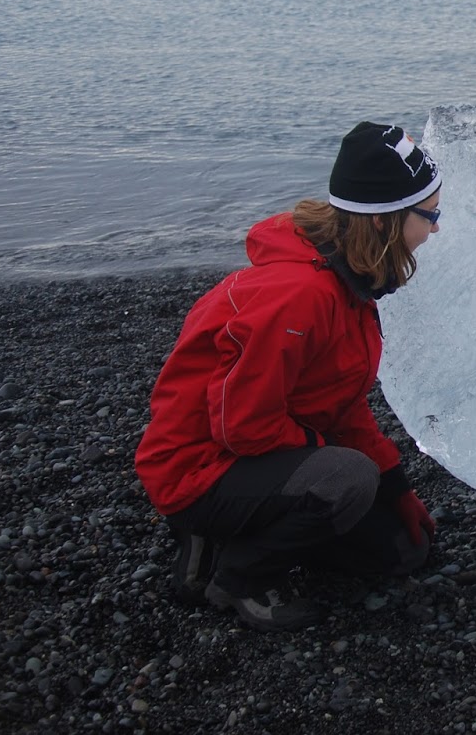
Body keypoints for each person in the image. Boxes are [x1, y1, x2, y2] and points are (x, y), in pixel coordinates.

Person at [135, 121, 444, 630]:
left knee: (402, 553)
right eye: (430, 216)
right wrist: (336, 459)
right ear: (388, 221)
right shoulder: (300, 296)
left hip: (256, 452)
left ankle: (224, 538)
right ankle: (238, 578)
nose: (436, 229)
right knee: (346, 479)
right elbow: (243, 427)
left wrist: (396, 487)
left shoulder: (348, 277)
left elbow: (340, 399)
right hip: (200, 466)